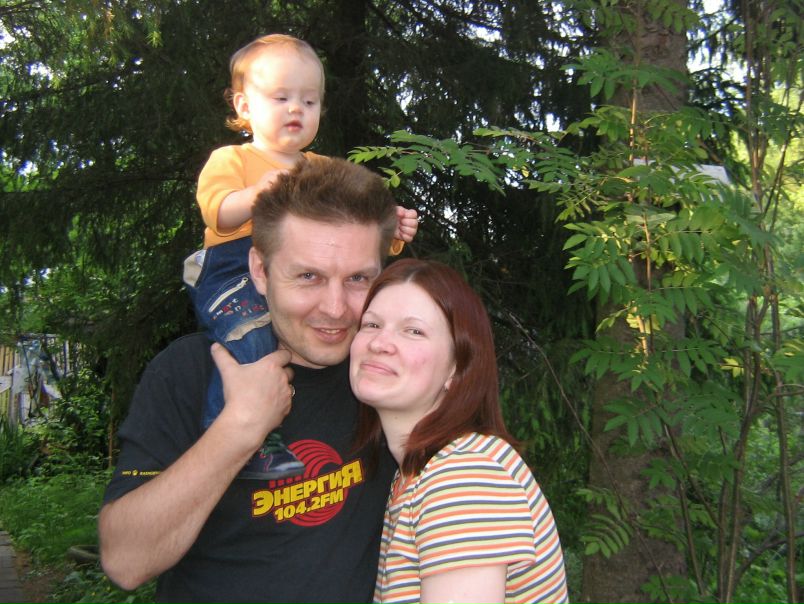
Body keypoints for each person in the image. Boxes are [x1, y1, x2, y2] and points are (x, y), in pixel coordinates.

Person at [100, 157, 401, 604]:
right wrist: (240, 426)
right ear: (259, 271)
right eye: (308, 276)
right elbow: (126, 561)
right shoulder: (193, 371)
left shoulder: (390, 376)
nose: (336, 309)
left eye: (358, 278)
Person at [184, 33, 418, 479]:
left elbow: (354, 230)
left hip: (304, 267)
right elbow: (217, 212)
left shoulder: (321, 167)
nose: (297, 109)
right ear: (244, 106)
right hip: (231, 267)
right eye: (282, 98)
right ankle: (238, 432)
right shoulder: (232, 159)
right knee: (249, 339)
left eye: (309, 101)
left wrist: (394, 230)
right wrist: (257, 193)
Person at [350, 259, 569, 604]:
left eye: (414, 331)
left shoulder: (464, 475)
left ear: (457, 367)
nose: (380, 342)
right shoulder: (416, 473)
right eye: (372, 324)